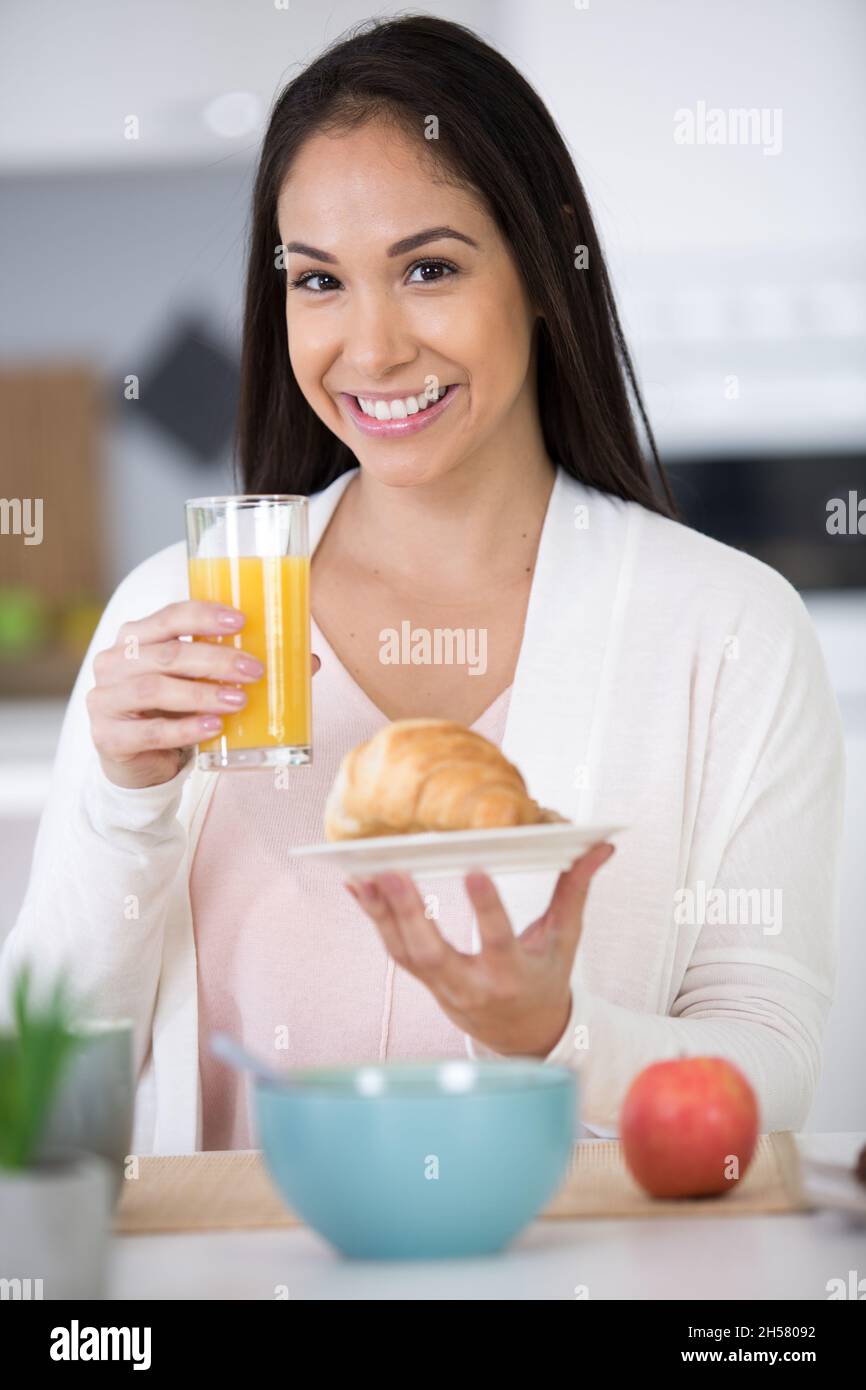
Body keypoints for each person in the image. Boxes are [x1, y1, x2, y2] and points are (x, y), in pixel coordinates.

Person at [0, 16, 844, 1153]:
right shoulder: (181, 612)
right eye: (318, 281)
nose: (373, 346)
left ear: (543, 272)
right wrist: (123, 802)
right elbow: (39, 1082)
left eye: (429, 268)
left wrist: (560, 1031)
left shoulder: (724, 629)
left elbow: (773, 1072)